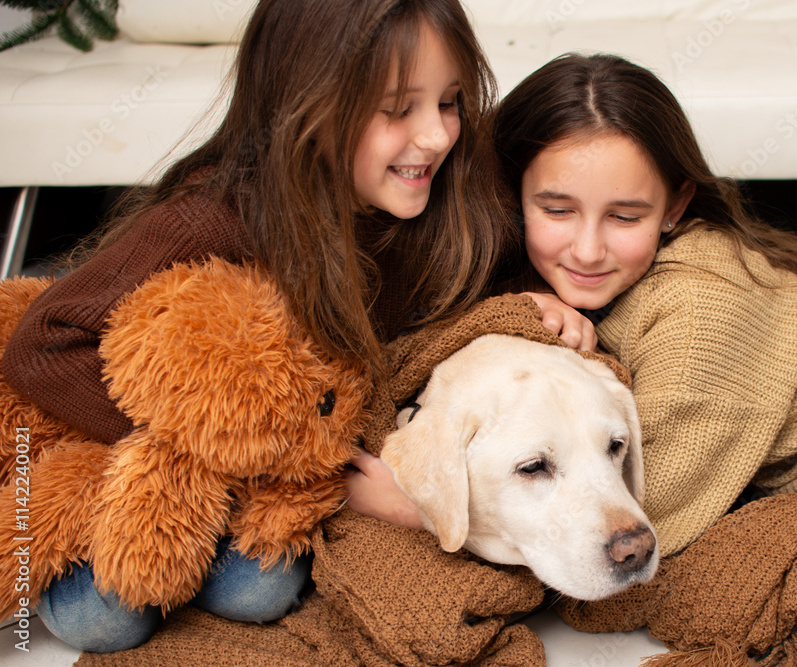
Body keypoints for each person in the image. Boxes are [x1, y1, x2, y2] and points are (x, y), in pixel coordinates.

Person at [1, 0, 520, 652]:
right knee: (101, 618)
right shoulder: (215, 216)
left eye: (449, 102)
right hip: (168, 457)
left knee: (261, 588)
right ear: (308, 105)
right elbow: (40, 346)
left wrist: (532, 303)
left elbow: (487, 283)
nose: (438, 135)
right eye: (397, 109)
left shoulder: (445, 203)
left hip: (270, 489)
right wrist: (237, 444)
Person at [491, 52, 797, 665]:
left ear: (676, 207)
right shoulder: (555, 297)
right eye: (557, 210)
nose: (589, 247)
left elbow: (640, 517)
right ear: (514, 194)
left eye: (626, 216)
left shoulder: (705, 305)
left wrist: (415, 507)